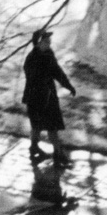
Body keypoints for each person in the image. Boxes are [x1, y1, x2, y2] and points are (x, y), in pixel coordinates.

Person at [23, 28, 76, 165]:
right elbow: (33, 79)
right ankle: (45, 150)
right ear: (38, 43)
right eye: (46, 41)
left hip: (48, 97)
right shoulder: (32, 59)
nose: (49, 44)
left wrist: (68, 85)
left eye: (49, 41)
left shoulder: (48, 55)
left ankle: (54, 152)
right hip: (36, 98)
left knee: (51, 127)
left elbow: (57, 72)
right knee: (38, 126)